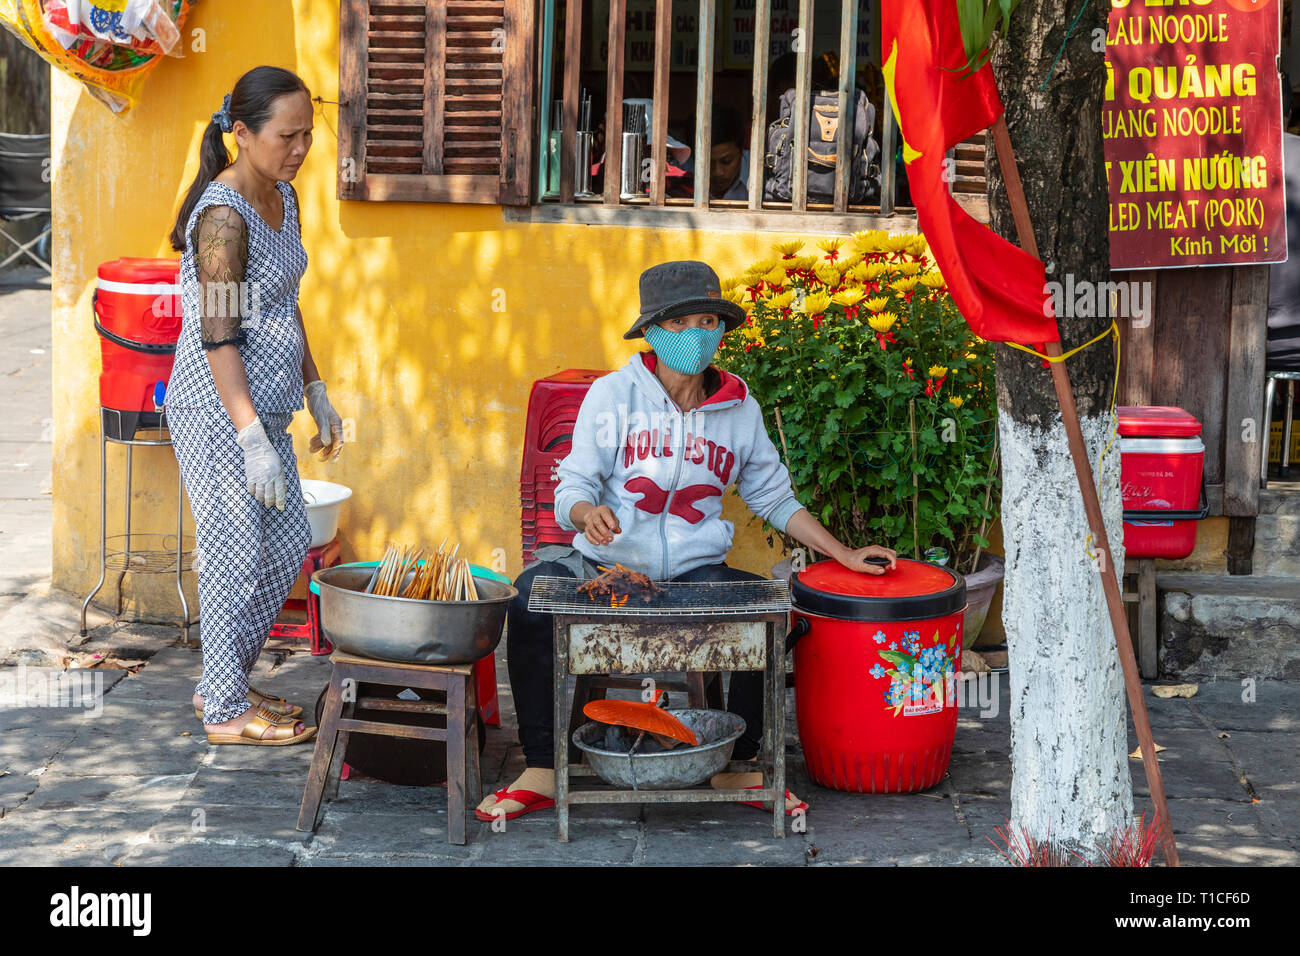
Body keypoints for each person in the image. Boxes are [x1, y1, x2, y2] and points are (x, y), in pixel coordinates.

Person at [476, 260, 897, 822]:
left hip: (696, 573)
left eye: (706, 321)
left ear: (721, 330)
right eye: (678, 325)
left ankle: (739, 765)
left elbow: (774, 498)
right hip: (608, 569)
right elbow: (571, 484)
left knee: (772, 612)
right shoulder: (613, 395)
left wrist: (841, 552)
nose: (695, 335)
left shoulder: (739, 409)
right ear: (650, 332)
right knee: (529, 600)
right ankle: (543, 769)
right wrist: (585, 513)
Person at [165, 66, 346, 745]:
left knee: (289, 544)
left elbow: (284, 302)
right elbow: (219, 333)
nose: (299, 149)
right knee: (235, 554)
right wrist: (247, 435)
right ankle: (224, 711)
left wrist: (314, 386)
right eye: (286, 136)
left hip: (267, 408)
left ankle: (224, 684)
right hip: (219, 412)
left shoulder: (283, 197)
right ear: (240, 134)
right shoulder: (221, 220)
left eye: (308, 134)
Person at [680, 105, 751, 200]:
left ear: (741, 149)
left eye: (727, 161)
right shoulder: (680, 171)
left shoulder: (760, 173)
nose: (718, 172)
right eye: (707, 162)